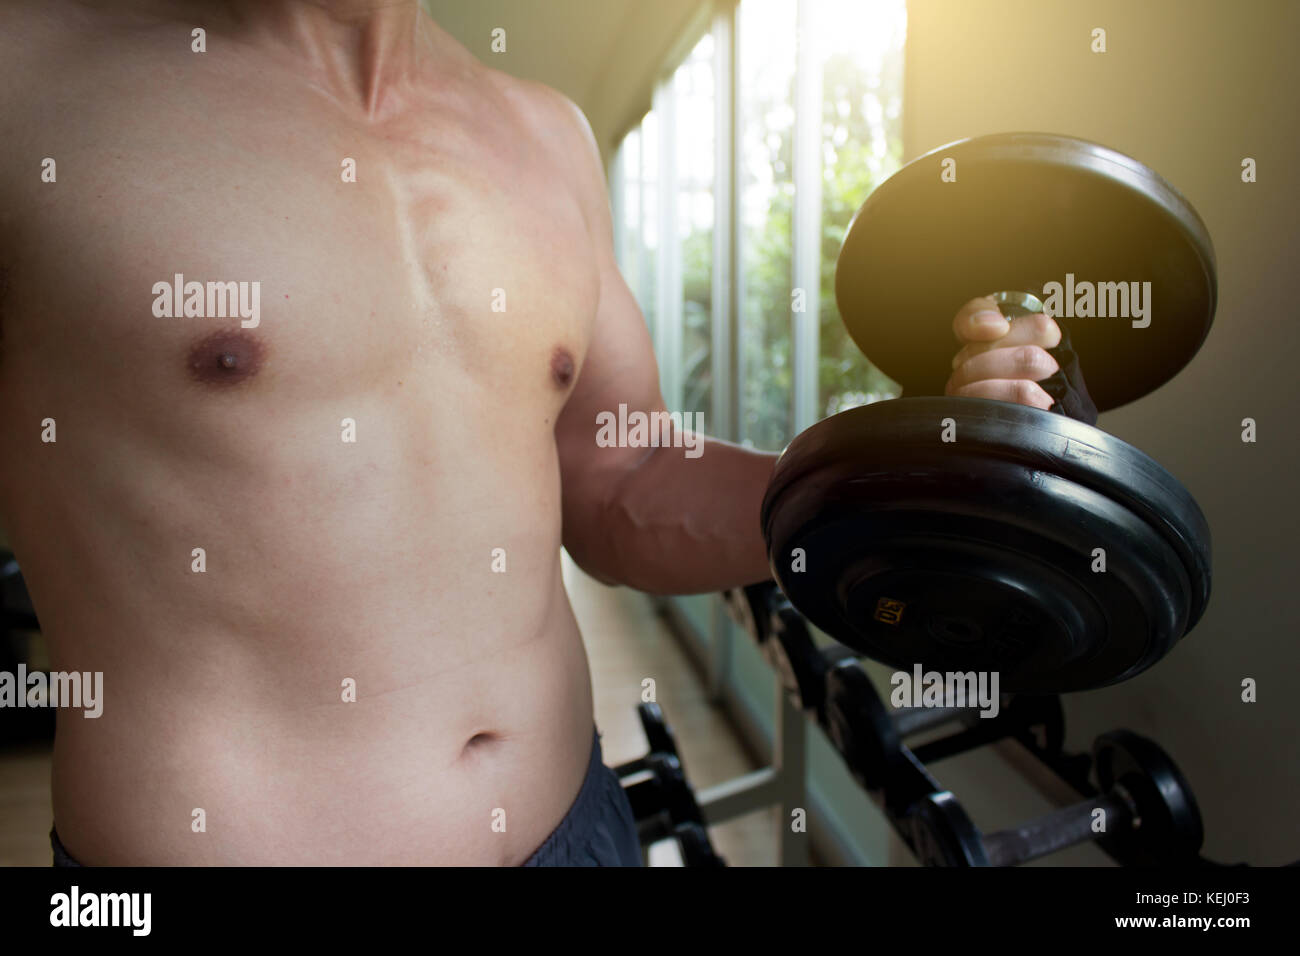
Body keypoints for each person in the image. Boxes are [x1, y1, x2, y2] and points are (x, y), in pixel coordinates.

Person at [0, 0, 1075, 866]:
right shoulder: (29, 76)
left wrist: (887, 469)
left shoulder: (544, 132)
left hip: (578, 822)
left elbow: (624, 479)